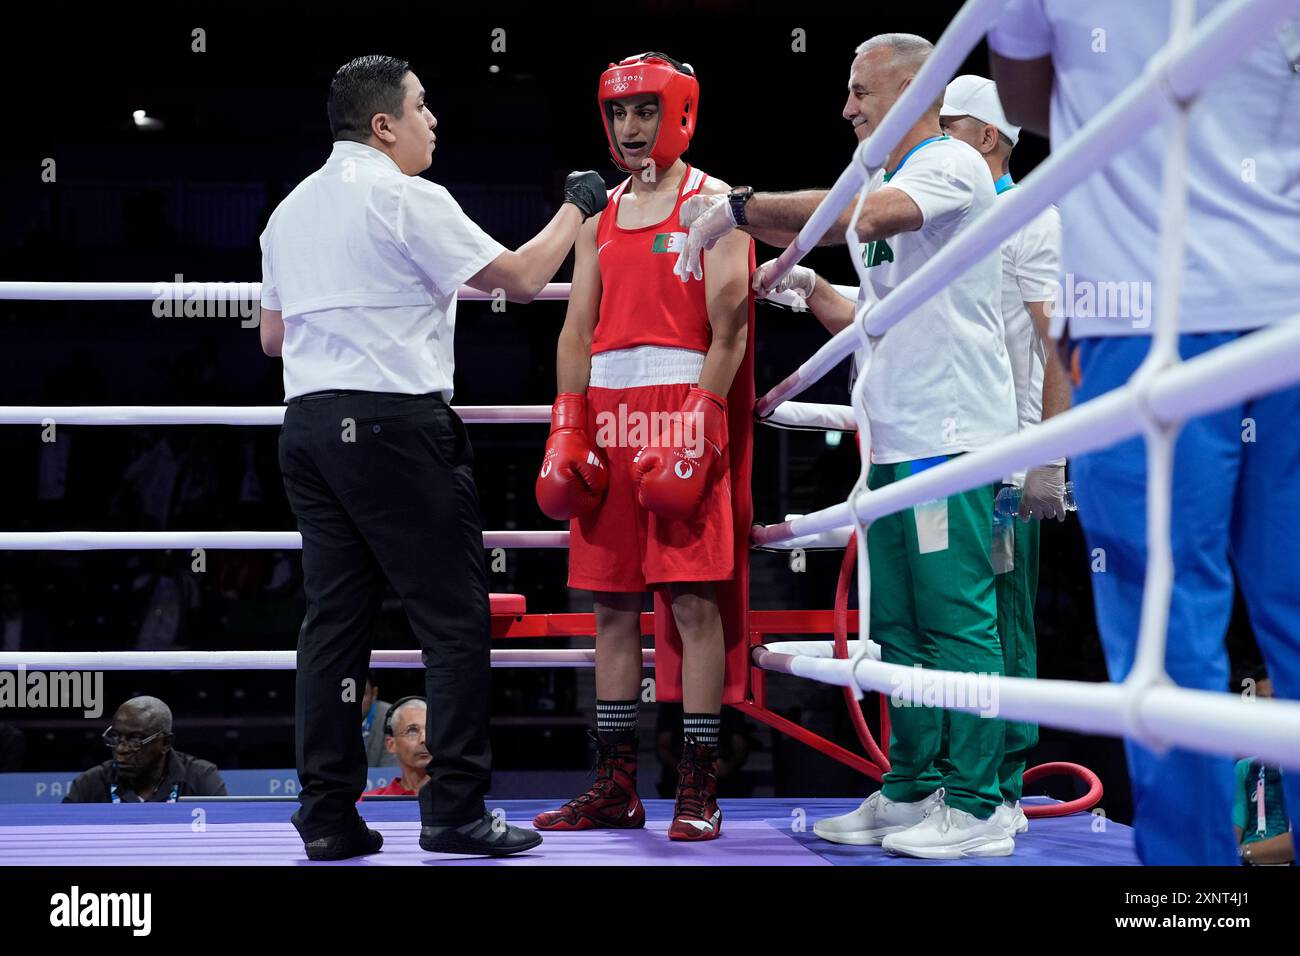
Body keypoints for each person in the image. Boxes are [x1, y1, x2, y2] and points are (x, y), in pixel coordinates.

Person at [259, 54, 607, 860]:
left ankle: (327, 818)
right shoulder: (407, 196)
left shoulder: (286, 212)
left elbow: (275, 338)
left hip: (309, 428)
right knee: (454, 624)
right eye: (422, 107)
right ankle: (453, 811)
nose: (433, 120)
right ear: (384, 125)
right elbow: (521, 280)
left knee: (332, 630)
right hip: (394, 429)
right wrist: (575, 207)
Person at [683, 34, 1019, 858]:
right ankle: (913, 788)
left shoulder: (949, 164)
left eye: (862, 91)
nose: (847, 107)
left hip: (952, 433)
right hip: (895, 436)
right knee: (898, 626)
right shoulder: (891, 179)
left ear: (913, 92)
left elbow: (861, 217)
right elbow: (874, 315)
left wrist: (738, 207)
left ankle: (977, 806)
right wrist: (805, 285)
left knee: (959, 622)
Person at [989, 0, 1300, 865]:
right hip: (1276, 303)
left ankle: (1190, 898)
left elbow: (1028, 95)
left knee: (1169, 627)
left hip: (1142, 307)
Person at [531, 52, 753, 841]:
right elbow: (576, 329)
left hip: (684, 412)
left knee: (692, 603)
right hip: (610, 421)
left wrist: (700, 419)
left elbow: (731, 330)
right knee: (612, 609)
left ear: (679, 113)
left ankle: (696, 788)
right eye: (619, 114)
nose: (630, 129)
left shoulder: (717, 203)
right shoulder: (598, 216)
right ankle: (614, 787)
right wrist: (568, 423)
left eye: (645, 112)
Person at [935, 74, 1069, 834]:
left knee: (1002, 622)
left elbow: (1058, 342)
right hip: (951, 448)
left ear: (988, 135)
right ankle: (953, 782)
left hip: (1010, 463)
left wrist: (1047, 459)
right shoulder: (954, 218)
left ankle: (1003, 790)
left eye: (948, 128)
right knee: (946, 627)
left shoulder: (1030, 217)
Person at [64, 696, 226, 803]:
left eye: (135, 739)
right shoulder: (89, 784)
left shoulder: (201, 778)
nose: (121, 749)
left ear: (165, 742)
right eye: (116, 737)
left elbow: (223, 838)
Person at [363, 697, 430, 796]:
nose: (423, 739)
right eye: (412, 731)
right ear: (391, 744)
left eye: (430, 730)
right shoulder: (368, 804)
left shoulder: (459, 798)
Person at [360, 675, 398, 768]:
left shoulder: (392, 718)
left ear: (374, 694)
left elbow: (390, 771)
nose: (354, 701)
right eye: (348, 695)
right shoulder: (327, 718)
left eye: (361, 693)